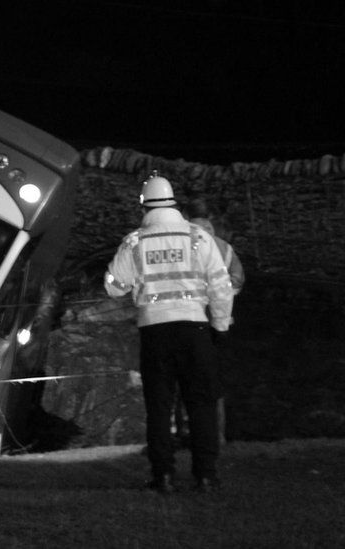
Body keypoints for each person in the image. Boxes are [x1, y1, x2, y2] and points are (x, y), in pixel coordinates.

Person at [105, 174, 234, 494]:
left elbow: (113, 288)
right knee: (201, 404)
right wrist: (219, 326)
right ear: (174, 202)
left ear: (144, 205)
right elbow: (221, 287)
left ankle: (163, 476)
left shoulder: (135, 242)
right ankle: (205, 475)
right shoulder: (198, 238)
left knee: (159, 407)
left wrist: (130, 280)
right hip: (195, 330)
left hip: (155, 333)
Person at [187, 214, 244, 446]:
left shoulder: (187, 248)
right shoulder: (225, 249)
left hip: (194, 322)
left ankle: (197, 433)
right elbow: (238, 280)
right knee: (214, 383)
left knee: (194, 380)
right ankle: (216, 435)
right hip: (218, 324)